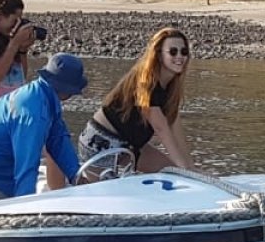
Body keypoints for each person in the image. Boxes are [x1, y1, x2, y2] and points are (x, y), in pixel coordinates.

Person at [0, 53, 89, 212]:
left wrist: (76, 176)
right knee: (0, 227)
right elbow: (27, 165)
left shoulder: (44, 97)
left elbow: (59, 140)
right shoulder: (32, 111)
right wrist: (25, 210)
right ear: (67, 90)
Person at [77, 26, 194, 182]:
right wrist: (185, 170)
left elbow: (174, 125)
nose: (179, 56)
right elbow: (161, 129)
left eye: (184, 52)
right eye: (173, 51)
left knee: (174, 173)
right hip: (101, 144)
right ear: (159, 55)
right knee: (179, 173)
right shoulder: (147, 84)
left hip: (129, 145)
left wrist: (191, 168)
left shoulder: (170, 88)